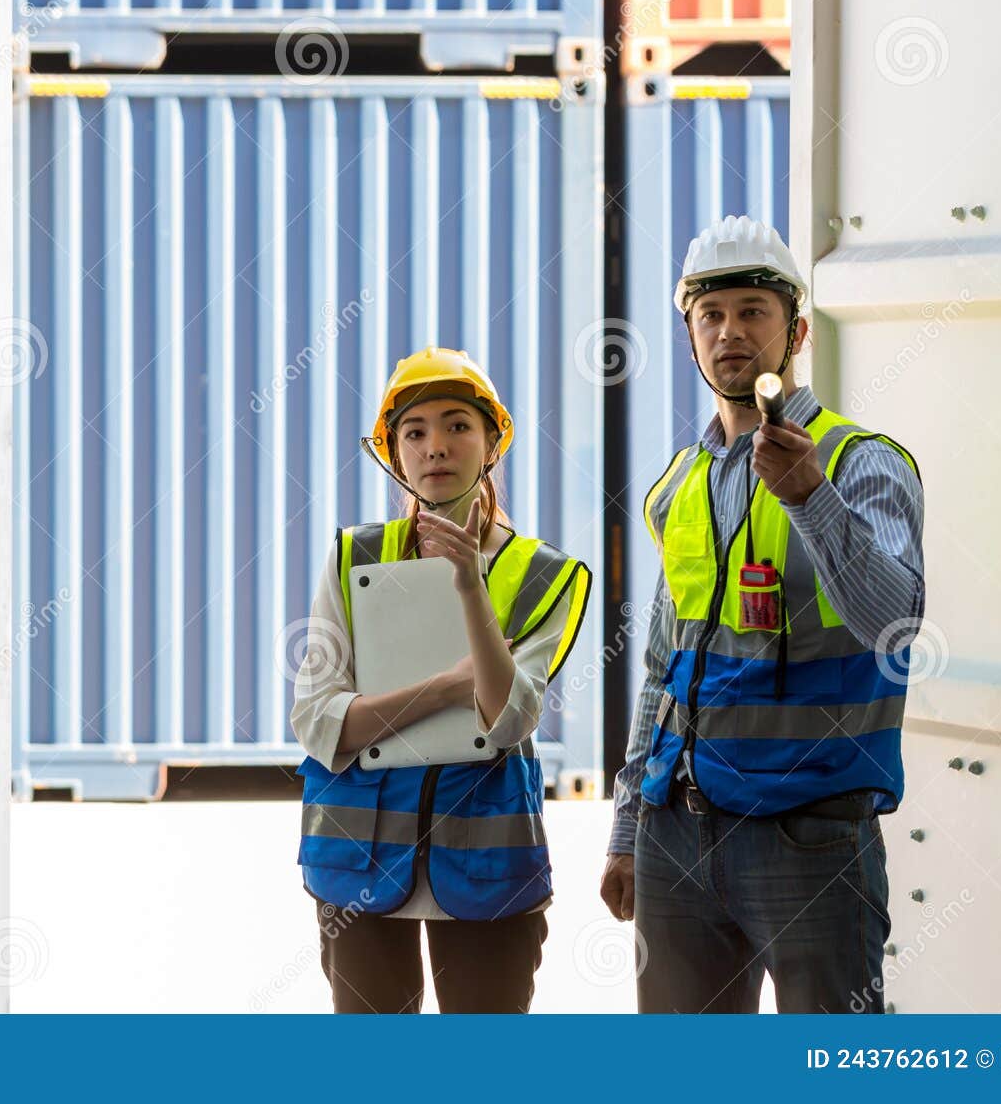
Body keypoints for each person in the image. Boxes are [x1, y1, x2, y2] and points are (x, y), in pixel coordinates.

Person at [600, 215, 926, 1013]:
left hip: (810, 839)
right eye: (710, 315)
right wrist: (629, 823)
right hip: (679, 830)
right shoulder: (684, 482)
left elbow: (895, 621)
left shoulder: (859, 461)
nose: (730, 331)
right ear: (689, 338)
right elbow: (661, 668)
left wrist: (811, 499)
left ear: (797, 331)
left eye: (753, 310)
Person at [289, 346, 591, 1014]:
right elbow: (316, 722)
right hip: (358, 861)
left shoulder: (543, 575)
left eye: (458, 425)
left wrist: (470, 592)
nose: (436, 446)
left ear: (491, 445)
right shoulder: (352, 557)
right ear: (395, 453)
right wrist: (449, 688)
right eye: (415, 431)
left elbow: (509, 720)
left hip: (487, 863)